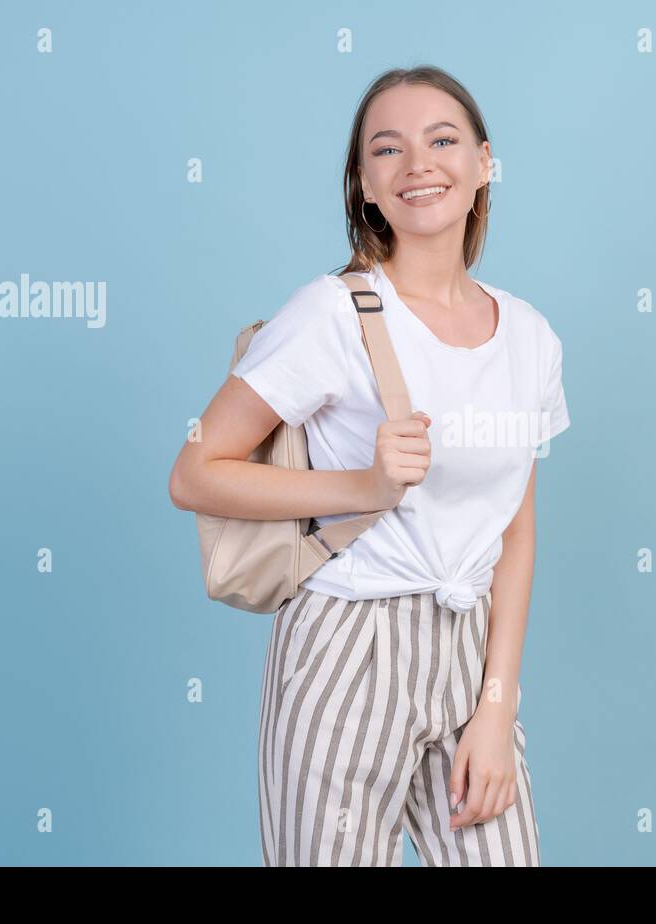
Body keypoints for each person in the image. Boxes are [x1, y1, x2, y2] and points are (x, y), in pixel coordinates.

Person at [168, 65, 570, 866]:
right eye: (387, 149)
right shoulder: (329, 312)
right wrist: (366, 486)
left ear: (485, 163)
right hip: (347, 644)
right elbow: (195, 470)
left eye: (443, 140)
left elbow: (515, 535)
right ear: (364, 186)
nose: (418, 162)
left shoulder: (529, 336)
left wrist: (495, 707)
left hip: (467, 651)